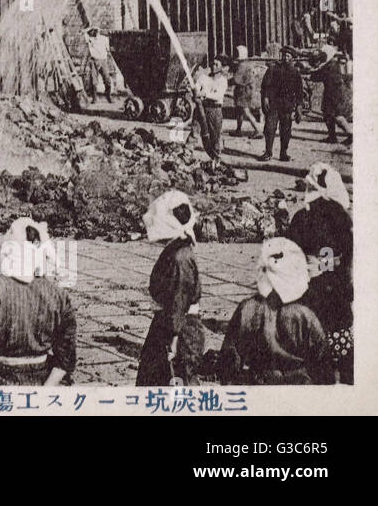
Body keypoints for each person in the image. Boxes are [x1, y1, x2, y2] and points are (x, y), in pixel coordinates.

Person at [0, 217, 77, 385]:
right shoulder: (58, 295)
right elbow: (66, 357)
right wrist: (45, 392)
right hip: (44, 381)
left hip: (3, 379)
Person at [217, 238, 334, 385]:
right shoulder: (305, 315)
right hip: (299, 386)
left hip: (259, 382)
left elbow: (229, 362)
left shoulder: (246, 309)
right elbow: (323, 365)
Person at [283, 163, 352, 383]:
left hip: (308, 299)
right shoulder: (343, 218)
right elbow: (348, 257)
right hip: (336, 297)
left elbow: (290, 257)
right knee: (340, 339)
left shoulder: (302, 218)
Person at [136, 192, 204, 386]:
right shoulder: (177, 251)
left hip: (179, 330)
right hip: (168, 324)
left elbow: (179, 300)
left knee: (176, 379)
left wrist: (174, 338)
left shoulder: (180, 259)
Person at [259, 45, 303, 161]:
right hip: (274, 103)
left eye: (288, 56)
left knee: (286, 130)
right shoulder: (273, 69)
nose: (285, 58)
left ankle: (283, 153)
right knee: (269, 128)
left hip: (287, 105)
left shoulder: (295, 72)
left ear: (292, 58)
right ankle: (268, 152)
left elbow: (299, 91)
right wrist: (265, 98)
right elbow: (265, 86)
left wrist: (299, 106)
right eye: (284, 55)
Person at [192, 58, 228, 162]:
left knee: (214, 138)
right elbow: (197, 86)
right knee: (194, 133)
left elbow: (218, 95)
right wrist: (195, 90)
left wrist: (204, 94)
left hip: (214, 111)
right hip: (201, 107)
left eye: (217, 64)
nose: (213, 66)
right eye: (213, 63)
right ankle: (186, 154)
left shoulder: (223, 81)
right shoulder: (204, 77)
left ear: (222, 67)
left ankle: (216, 160)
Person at [313, 49, 352, 144]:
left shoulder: (329, 66)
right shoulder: (331, 64)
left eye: (315, 61)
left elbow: (317, 76)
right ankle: (332, 137)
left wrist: (309, 75)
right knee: (327, 115)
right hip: (332, 92)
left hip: (335, 93)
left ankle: (351, 134)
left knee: (337, 116)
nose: (315, 63)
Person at [231, 45, 263, 137]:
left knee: (245, 111)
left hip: (243, 91)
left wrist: (226, 81)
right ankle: (238, 130)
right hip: (247, 90)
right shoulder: (248, 64)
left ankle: (257, 129)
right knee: (240, 111)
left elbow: (236, 79)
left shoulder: (242, 66)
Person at [82, 27, 114, 103]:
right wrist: (91, 27)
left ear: (100, 31)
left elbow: (108, 50)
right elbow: (84, 32)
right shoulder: (90, 39)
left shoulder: (105, 39)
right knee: (94, 81)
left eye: (97, 31)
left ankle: (108, 96)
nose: (96, 32)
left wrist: (108, 60)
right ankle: (94, 98)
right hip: (94, 61)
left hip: (103, 61)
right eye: (94, 31)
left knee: (107, 79)